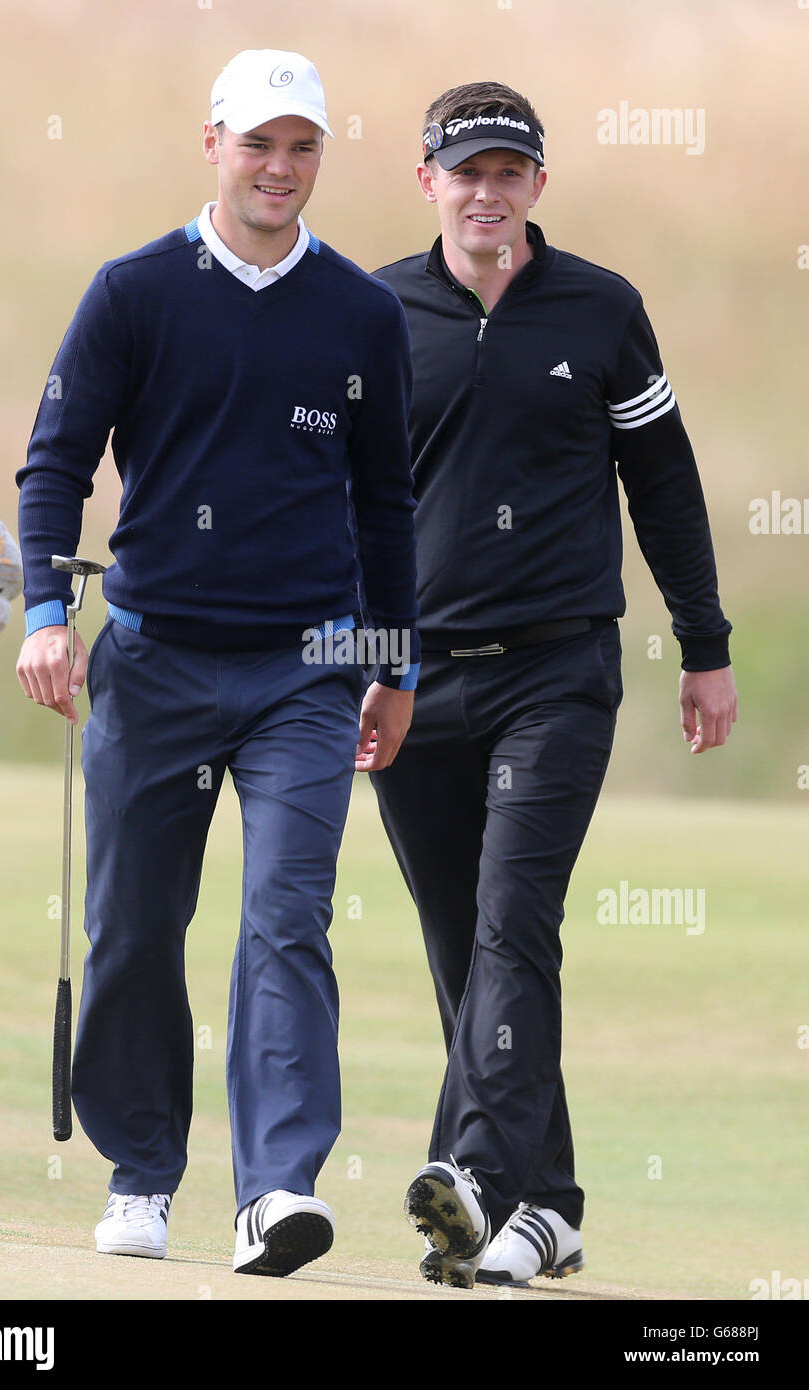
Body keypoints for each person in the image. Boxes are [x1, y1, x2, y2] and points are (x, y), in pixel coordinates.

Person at [15, 48, 419, 1278]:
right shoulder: (134, 292)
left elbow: (386, 507)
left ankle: (278, 1187)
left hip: (309, 671)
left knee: (286, 915)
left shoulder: (363, 313)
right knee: (137, 925)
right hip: (152, 661)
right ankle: (142, 1170)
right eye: (259, 144)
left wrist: (392, 666)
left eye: (302, 147)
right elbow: (55, 463)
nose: (281, 168)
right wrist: (43, 609)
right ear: (214, 145)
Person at [369, 80, 737, 1289]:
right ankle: (554, 1208)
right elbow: (330, 503)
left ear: (538, 185)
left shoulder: (601, 307)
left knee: (512, 917)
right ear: (428, 180)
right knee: (464, 953)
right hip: (415, 685)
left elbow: (665, 481)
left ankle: (472, 1175)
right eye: (465, 171)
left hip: (558, 672)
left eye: (508, 172)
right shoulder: (375, 312)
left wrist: (704, 644)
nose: (487, 193)